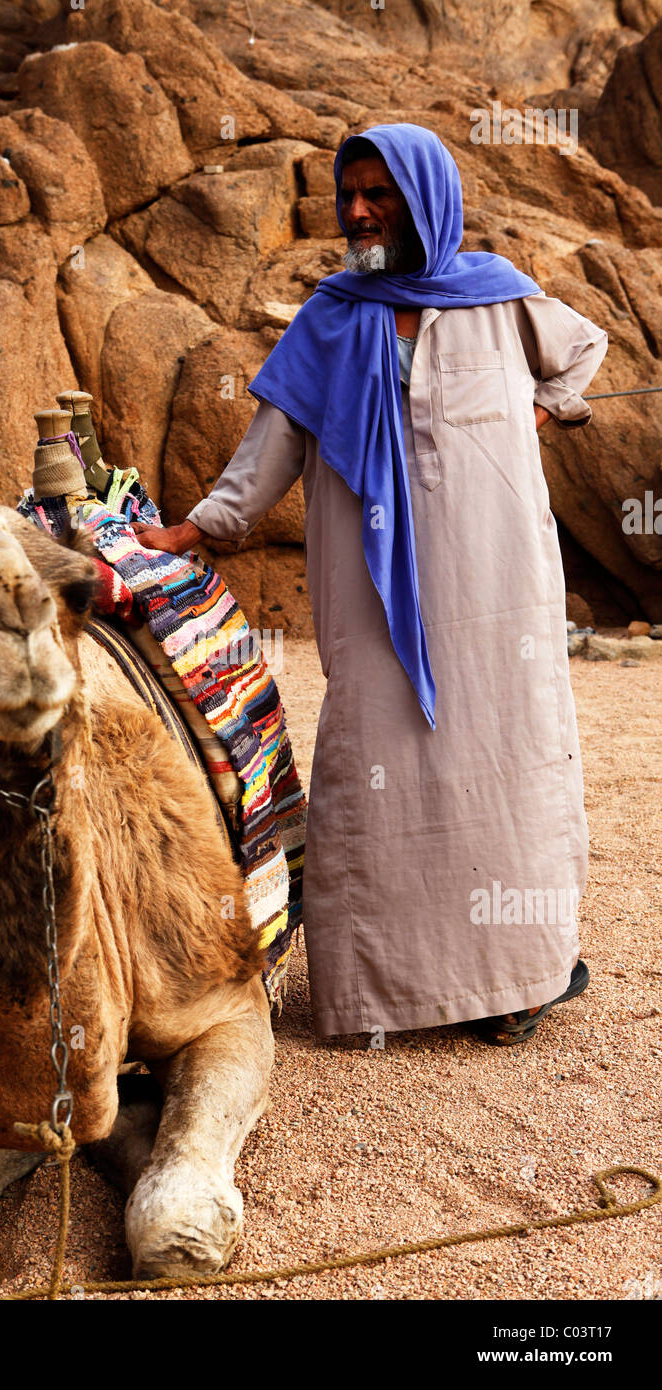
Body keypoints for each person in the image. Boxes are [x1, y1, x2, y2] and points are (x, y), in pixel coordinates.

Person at [133, 123, 607, 1046]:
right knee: (375, 763)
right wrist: (198, 529)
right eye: (347, 195)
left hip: (497, 584)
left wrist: (547, 407)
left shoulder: (498, 299)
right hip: (371, 598)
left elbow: (579, 352)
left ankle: (517, 980)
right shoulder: (330, 317)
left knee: (508, 756)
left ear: (422, 197)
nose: (355, 212)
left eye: (376, 194)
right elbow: (269, 449)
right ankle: (382, 996)